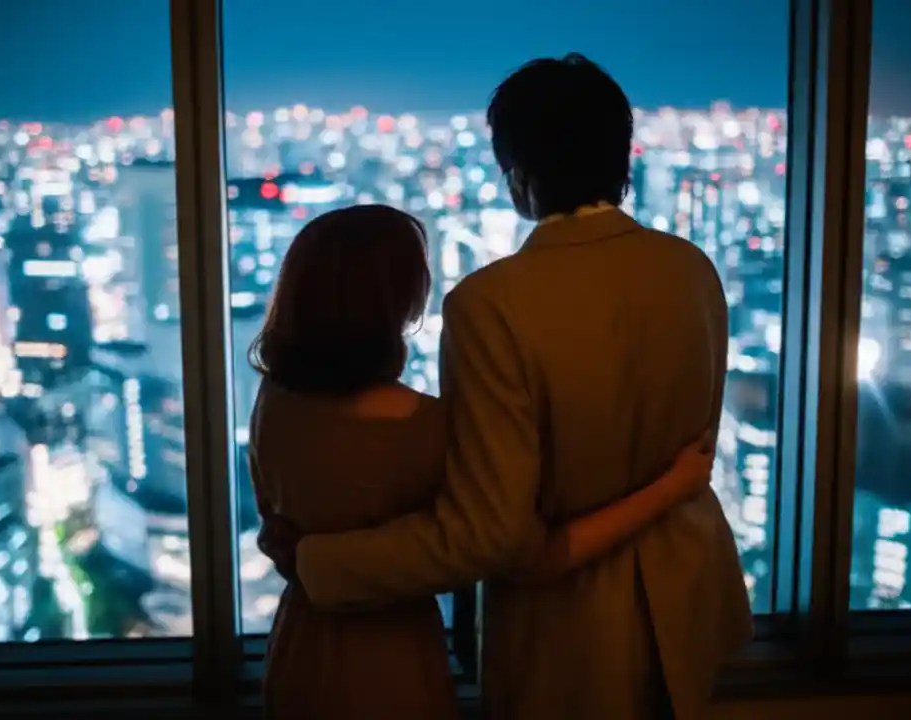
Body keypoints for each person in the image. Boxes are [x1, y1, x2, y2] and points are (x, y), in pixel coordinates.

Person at [262, 54, 753, 719]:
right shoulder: (693, 269)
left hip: (572, 637)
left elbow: (489, 534)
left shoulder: (491, 304)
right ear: (622, 157)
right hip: (692, 602)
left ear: (518, 177)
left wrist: (319, 562)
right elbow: (689, 445)